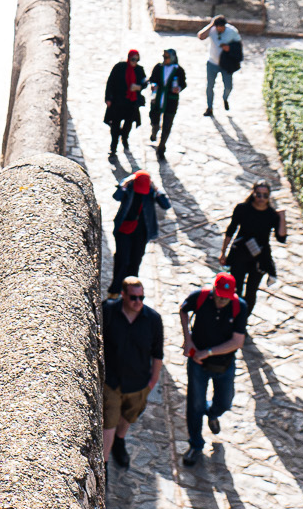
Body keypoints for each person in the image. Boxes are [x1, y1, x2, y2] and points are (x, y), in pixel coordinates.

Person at [179, 272, 248, 466]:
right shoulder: (200, 297)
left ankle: (213, 414)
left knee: (225, 402)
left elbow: (237, 341)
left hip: (223, 365)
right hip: (198, 365)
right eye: (218, 296)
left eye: (225, 298)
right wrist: (188, 339)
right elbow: (183, 310)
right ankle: (195, 445)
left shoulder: (239, 307)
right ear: (214, 291)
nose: (220, 301)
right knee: (194, 405)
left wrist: (208, 352)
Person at [100, 277, 164, 470]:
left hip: (138, 383)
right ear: (123, 295)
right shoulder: (109, 311)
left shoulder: (153, 320)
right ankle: (104, 466)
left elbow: (157, 354)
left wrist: (152, 382)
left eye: (141, 297)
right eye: (134, 297)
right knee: (108, 423)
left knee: (128, 417)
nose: (138, 302)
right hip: (112, 381)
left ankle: (119, 442)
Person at [222, 180, 288, 313]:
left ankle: (243, 320)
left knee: (251, 291)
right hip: (240, 253)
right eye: (258, 194)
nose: (261, 198)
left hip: (260, 258)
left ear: (269, 197)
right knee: (236, 288)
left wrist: (282, 218)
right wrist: (223, 252)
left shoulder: (271, 215)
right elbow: (231, 230)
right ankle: (233, 315)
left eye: (265, 195)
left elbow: (281, 238)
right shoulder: (242, 209)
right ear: (253, 194)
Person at [107, 170, 171, 294]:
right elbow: (117, 196)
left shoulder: (151, 192)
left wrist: (157, 189)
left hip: (141, 231)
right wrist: (124, 183)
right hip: (124, 229)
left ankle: (130, 291)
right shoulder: (130, 188)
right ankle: (115, 290)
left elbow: (166, 205)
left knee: (135, 261)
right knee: (122, 260)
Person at [196, 15, 243, 115]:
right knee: (210, 86)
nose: (220, 29)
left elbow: (238, 46)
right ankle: (209, 107)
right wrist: (211, 24)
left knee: (228, 86)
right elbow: (201, 36)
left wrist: (229, 48)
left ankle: (225, 98)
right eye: (218, 27)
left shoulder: (232, 31)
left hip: (226, 64)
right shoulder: (212, 30)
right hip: (212, 63)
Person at [103, 49, 146, 153]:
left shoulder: (139, 70)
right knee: (115, 126)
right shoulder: (119, 68)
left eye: (137, 60)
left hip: (131, 104)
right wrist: (108, 98)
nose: (134, 62)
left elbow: (144, 83)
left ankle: (124, 138)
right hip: (118, 103)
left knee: (128, 125)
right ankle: (113, 147)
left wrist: (138, 87)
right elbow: (110, 82)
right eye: (133, 59)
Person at [147, 48, 186, 153]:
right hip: (158, 98)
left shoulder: (178, 70)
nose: (165, 59)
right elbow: (152, 79)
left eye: (167, 57)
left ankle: (162, 146)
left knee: (167, 124)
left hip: (170, 101)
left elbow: (183, 84)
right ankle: (154, 131)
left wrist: (178, 89)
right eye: (164, 57)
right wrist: (153, 85)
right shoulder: (158, 67)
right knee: (154, 118)